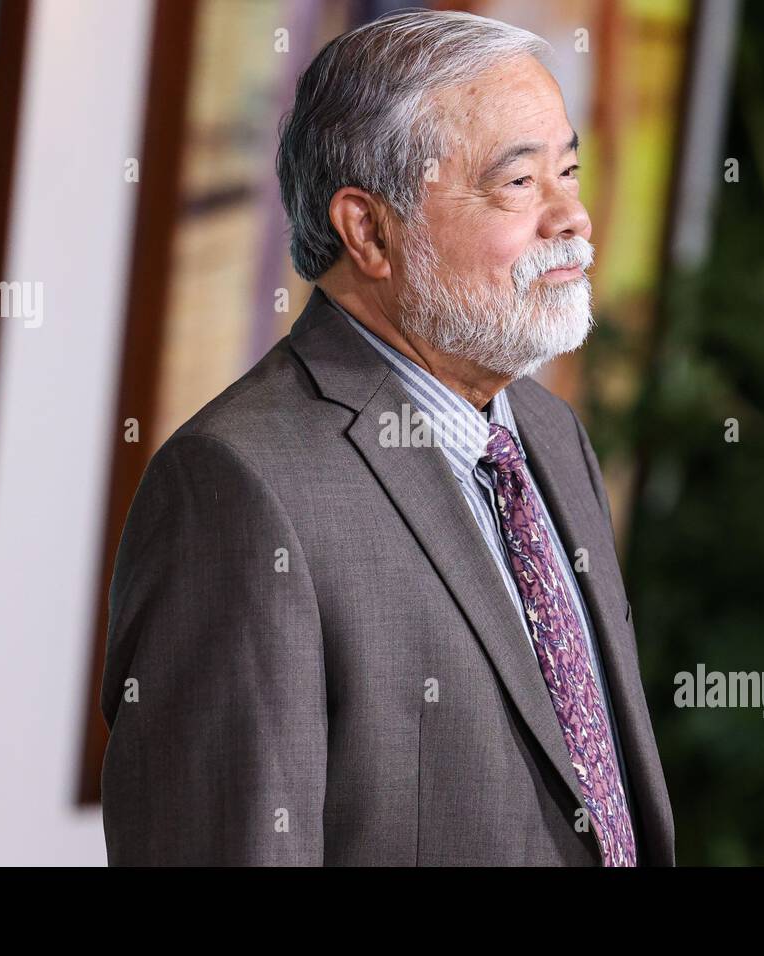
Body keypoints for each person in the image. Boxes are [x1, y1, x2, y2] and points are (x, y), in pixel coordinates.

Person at [100, 8, 674, 866]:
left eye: (570, 172)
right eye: (519, 185)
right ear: (368, 230)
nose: (573, 219)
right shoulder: (237, 489)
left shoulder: (551, 438)